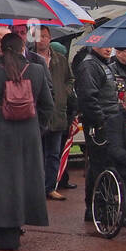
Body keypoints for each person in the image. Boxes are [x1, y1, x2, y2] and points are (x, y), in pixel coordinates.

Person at [0, 32, 53, 250]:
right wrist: (38, 129)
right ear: (22, 47)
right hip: (29, 135)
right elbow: (48, 105)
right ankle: (15, 229)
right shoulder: (36, 70)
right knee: (24, 183)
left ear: (2, 48)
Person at [73, 43, 119, 222]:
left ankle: (102, 207)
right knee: (99, 167)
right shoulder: (89, 65)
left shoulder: (104, 63)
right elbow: (87, 98)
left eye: (110, 46)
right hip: (99, 125)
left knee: (106, 166)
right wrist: (101, 121)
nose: (109, 49)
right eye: (104, 45)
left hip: (110, 121)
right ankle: (97, 209)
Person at [34, 25, 75, 200]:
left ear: (50, 38)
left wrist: (64, 93)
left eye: (45, 36)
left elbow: (70, 79)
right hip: (38, 114)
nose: (42, 39)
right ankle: (36, 187)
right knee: (37, 154)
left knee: (53, 153)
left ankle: (50, 187)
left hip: (58, 113)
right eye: (39, 36)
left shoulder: (60, 59)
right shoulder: (31, 59)